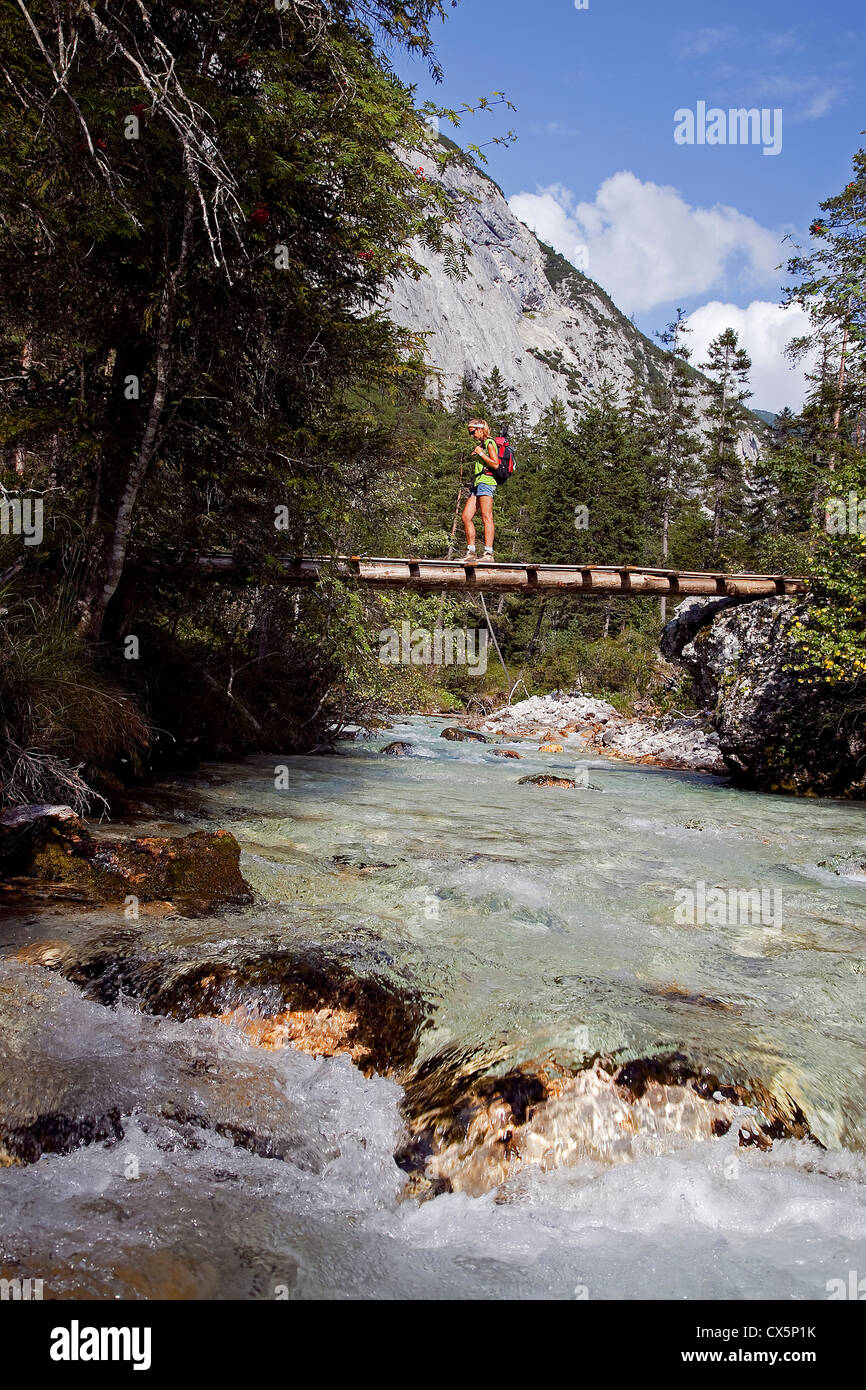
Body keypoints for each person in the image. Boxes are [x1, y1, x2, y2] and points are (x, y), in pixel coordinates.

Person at [460, 418, 497, 563]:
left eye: (473, 432)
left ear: (481, 429)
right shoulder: (482, 445)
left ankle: (488, 553)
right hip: (477, 483)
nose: (472, 435)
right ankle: (471, 552)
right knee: (466, 516)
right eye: (470, 433)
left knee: (486, 517)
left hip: (486, 482)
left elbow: (495, 464)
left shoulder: (489, 442)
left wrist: (481, 454)